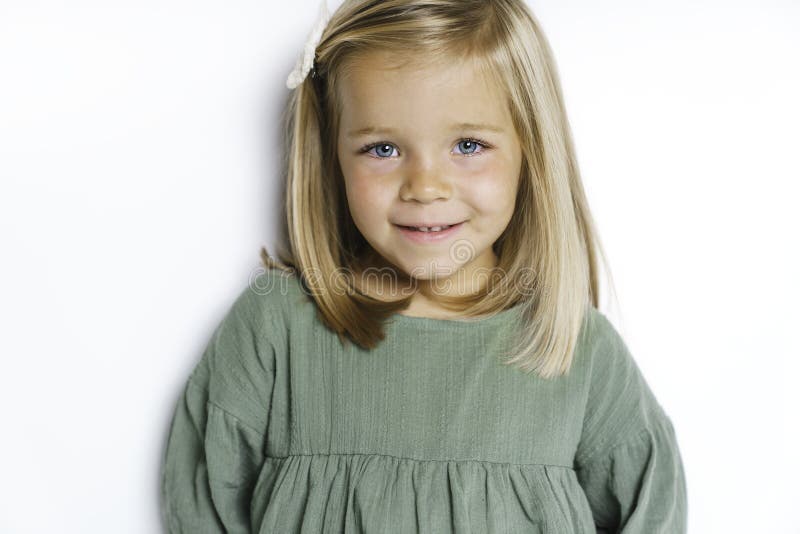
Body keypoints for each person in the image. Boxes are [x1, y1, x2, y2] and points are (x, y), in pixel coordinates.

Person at [160, 0, 688, 532]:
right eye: (383, 148)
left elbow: (653, 509)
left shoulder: (576, 350)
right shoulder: (276, 327)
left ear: (531, 149)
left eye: (468, 145)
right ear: (331, 156)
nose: (426, 186)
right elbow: (203, 501)